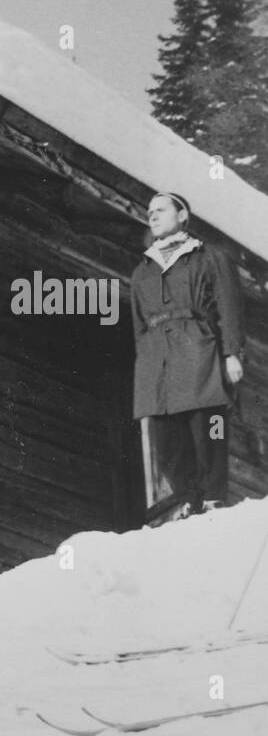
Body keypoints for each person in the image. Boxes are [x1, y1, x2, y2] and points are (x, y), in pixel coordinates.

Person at [131, 192, 245, 520]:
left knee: (209, 425)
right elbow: (138, 325)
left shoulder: (209, 256)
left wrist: (232, 353)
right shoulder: (143, 270)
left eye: (161, 210)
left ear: (182, 216)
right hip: (157, 360)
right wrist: (145, 366)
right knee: (167, 440)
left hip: (200, 346)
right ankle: (187, 499)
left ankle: (213, 497)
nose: (152, 216)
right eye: (149, 211)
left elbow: (229, 307)